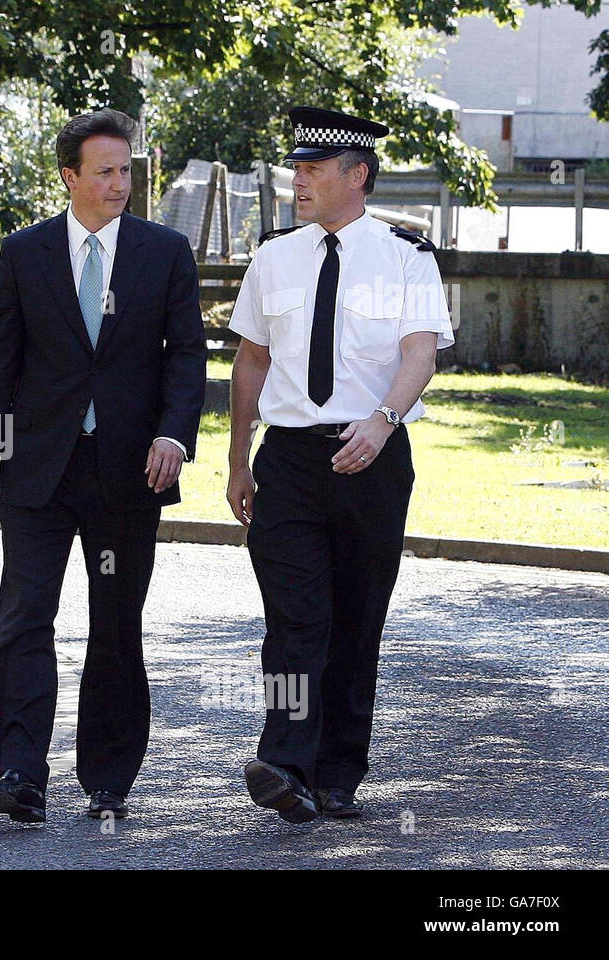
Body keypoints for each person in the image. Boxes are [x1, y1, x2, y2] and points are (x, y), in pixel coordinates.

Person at [0, 107, 207, 824]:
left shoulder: (164, 253)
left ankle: (108, 778)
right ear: (69, 177)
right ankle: (16, 772)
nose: (120, 183)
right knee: (24, 618)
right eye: (104, 171)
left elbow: (186, 357)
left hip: (131, 470)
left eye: (127, 169)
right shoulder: (27, 251)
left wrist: (175, 435)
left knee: (115, 621)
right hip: (39, 468)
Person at [226, 106, 454, 822]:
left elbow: (420, 353)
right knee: (295, 619)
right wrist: (239, 460)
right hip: (289, 459)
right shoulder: (272, 257)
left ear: (356, 177)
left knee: (356, 620)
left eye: (312, 169)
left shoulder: (407, 256)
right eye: (295, 168)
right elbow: (251, 361)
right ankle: (285, 764)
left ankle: (337, 775)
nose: (297, 180)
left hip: (374, 459)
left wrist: (384, 422)